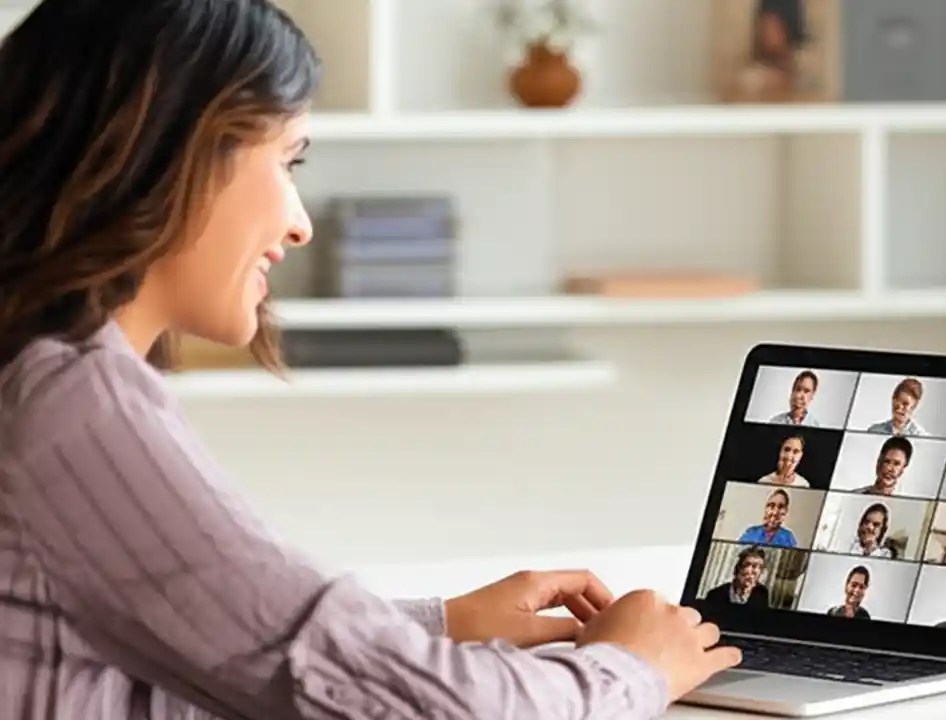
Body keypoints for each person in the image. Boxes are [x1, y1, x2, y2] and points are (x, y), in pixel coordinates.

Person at [0, 2, 740, 718]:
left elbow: (209, 657)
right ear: (174, 151)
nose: (300, 224)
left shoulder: (38, 377)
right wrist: (633, 667)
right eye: (287, 161)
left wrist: (444, 625)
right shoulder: (71, 409)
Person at [702, 546, 771, 610]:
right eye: (753, 565)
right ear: (739, 568)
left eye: (760, 567)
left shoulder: (762, 593)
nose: (756, 571)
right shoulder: (716, 594)